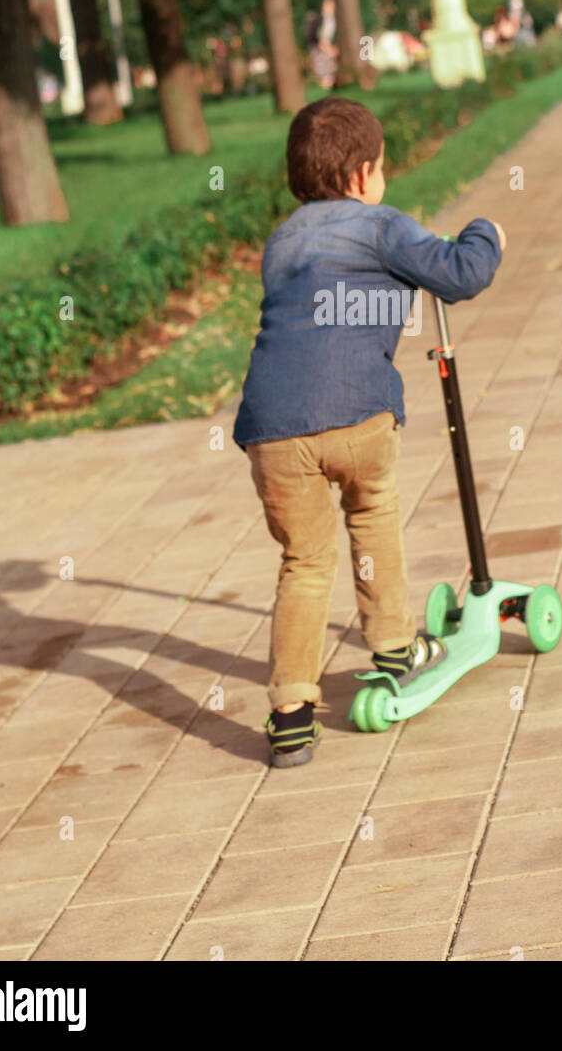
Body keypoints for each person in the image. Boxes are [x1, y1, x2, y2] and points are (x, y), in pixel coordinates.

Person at [232, 97, 506, 766]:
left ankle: (291, 713)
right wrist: (485, 230)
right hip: (356, 413)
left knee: (303, 561)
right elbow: (459, 274)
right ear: (362, 175)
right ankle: (391, 644)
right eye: (380, 167)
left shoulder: (282, 242)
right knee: (372, 513)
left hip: (272, 429)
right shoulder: (382, 225)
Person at [304, 0, 339, 87]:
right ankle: (324, 82)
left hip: (327, 45)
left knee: (330, 65)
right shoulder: (317, 17)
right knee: (323, 65)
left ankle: (328, 82)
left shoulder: (333, 18)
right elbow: (314, 35)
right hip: (318, 46)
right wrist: (326, 46)